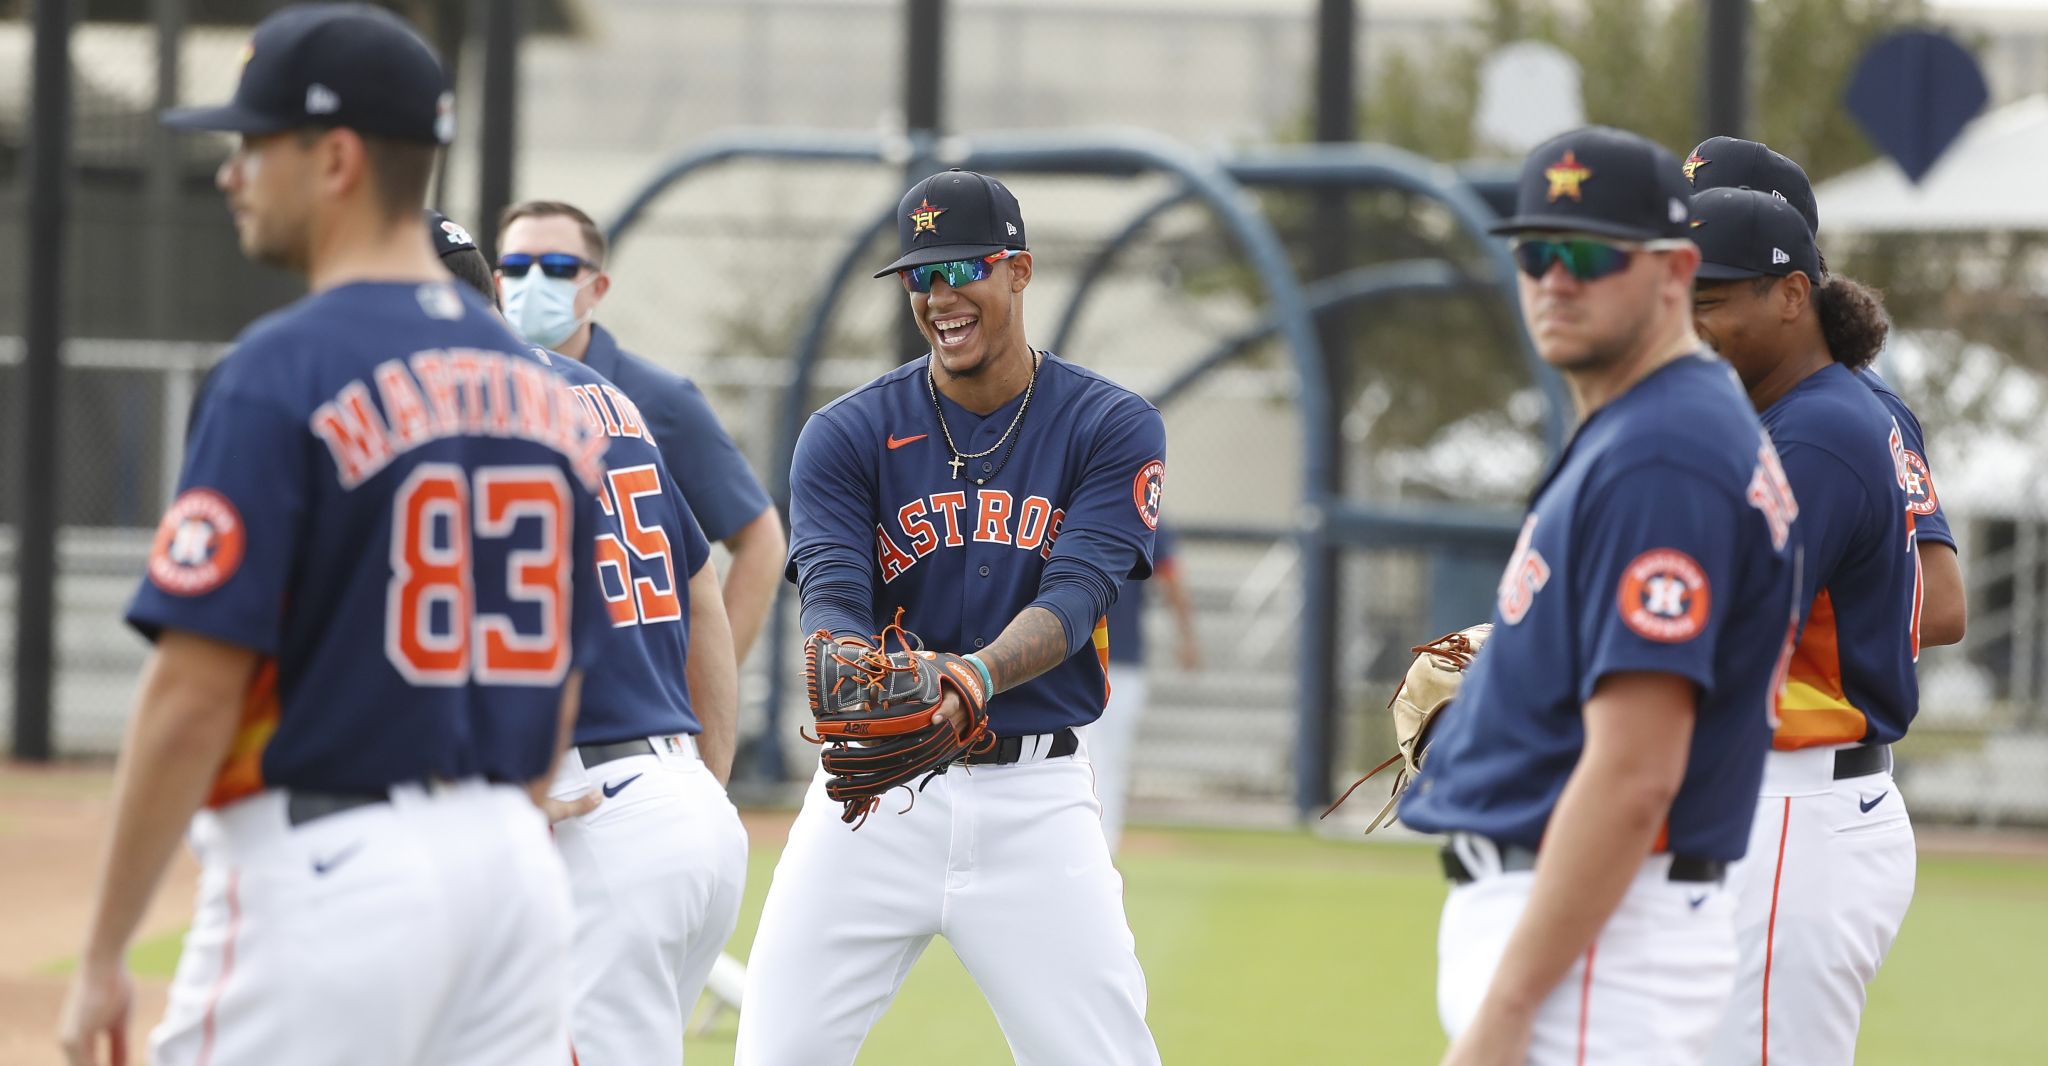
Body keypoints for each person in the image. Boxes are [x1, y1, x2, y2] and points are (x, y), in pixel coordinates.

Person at [56, 6, 609, 1065]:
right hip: (514, 867)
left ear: (337, 158)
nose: (233, 173)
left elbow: (192, 692)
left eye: (255, 142)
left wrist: (104, 951)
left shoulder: (282, 367)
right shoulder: (544, 396)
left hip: (332, 872)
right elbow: (564, 686)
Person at [736, 168, 1165, 1065]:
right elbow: (833, 595)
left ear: (1020, 270)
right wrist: (848, 663)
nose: (939, 296)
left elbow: (1077, 593)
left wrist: (972, 677)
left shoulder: (1109, 424)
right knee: (776, 1053)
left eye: (963, 268)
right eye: (920, 276)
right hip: (875, 797)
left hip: (1033, 799)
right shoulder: (847, 432)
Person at [1397, 127, 1800, 1066]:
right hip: (1592, 930)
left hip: (1597, 948)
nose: (1555, 280)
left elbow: (1634, 772)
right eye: (1535, 254)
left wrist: (1508, 1009)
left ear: (1674, 272)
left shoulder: (1665, 453)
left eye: (1589, 255)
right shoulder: (1654, 423)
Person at [437, 213, 750, 1065]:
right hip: (679, 801)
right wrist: (702, 783)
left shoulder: (458, 410)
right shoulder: (597, 393)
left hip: (592, 811)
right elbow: (701, 589)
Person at [1687, 187, 1921, 1066]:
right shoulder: (1797, 414)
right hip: (1779, 801)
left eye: (1711, 300)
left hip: (1798, 808)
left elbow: (1729, 628)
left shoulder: (1816, 432)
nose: (1687, 323)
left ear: (1792, 295)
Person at [1684, 135, 1965, 647]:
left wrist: (1799, 639)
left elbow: (1941, 607)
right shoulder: (1734, 396)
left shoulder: (1846, 411)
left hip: (1810, 699)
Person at [496, 200, 787, 665]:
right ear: (496, 282)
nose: (532, 282)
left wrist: (708, 682)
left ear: (597, 286)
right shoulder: (483, 389)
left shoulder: (657, 399)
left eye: (557, 267)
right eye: (515, 266)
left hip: (629, 690)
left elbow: (761, 541)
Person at [1089, 525, 1201, 853]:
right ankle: (1094, 845)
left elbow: (1171, 578)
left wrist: (1187, 637)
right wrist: (1187, 637)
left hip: (1118, 659)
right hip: (1075, 656)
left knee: (1106, 760)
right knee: (1092, 759)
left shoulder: (1150, 519)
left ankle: (1103, 846)